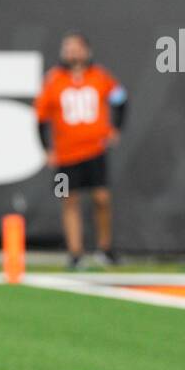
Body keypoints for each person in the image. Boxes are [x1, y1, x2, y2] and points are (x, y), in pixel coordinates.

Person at [34, 32, 127, 269]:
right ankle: (75, 252)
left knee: (102, 198)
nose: (72, 52)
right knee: (67, 199)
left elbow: (120, 98)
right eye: (68, 48)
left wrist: (116, 127)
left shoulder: (100, 76)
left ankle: (105, 248)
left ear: (87, 50)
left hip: (95, 151)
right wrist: (46, 148)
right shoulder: (53, 79)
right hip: (64, 156)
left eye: (76, 47)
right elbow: (41, 117)